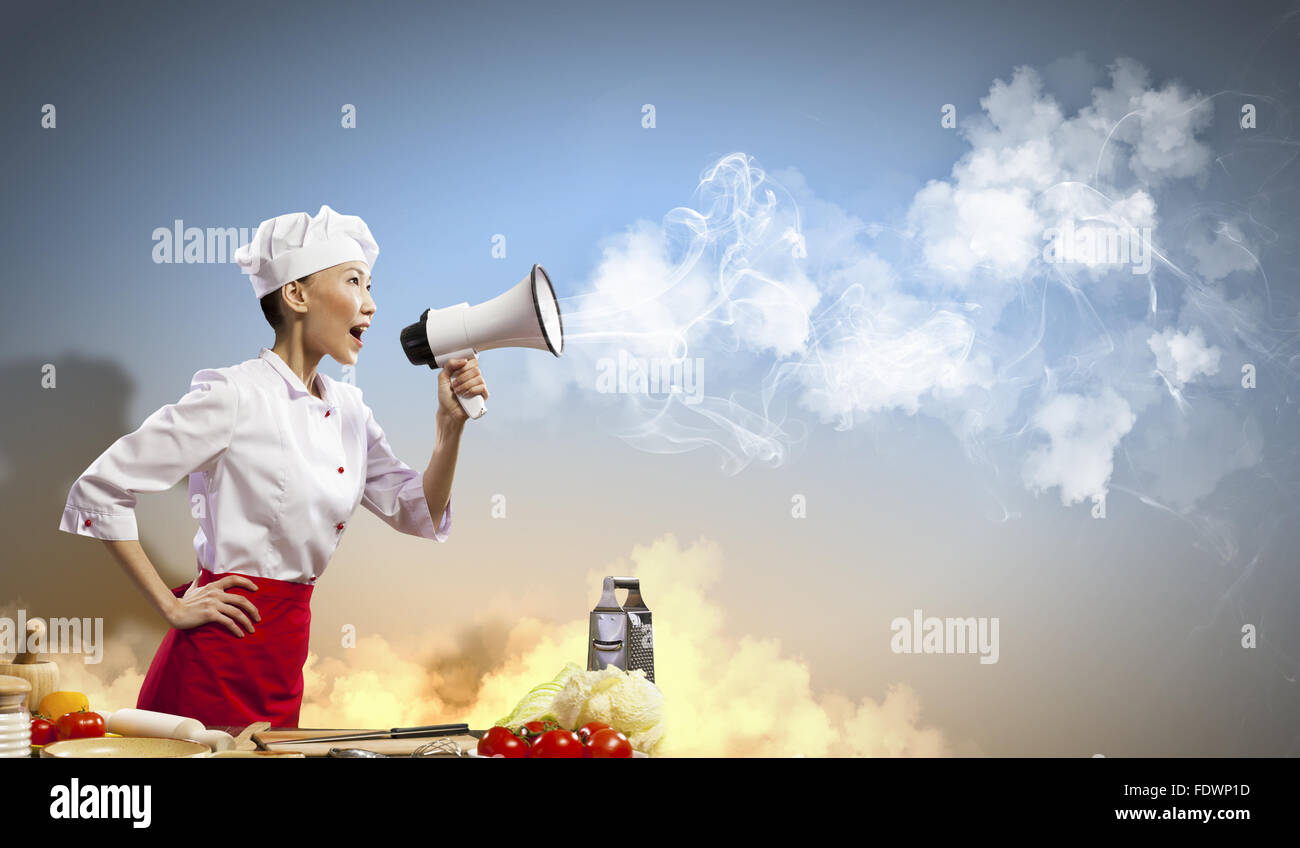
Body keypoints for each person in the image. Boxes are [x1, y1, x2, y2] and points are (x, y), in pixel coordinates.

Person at [56, 205, 486, 728]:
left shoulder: (350, 411)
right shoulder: (234, 395)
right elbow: (100, 488)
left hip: (284, 664)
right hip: (212, 667)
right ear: (296, 294)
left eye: (371, 286)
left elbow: (419, 511)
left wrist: (450, 428)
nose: (371, 305)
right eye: (354, 282)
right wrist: (172, 607)